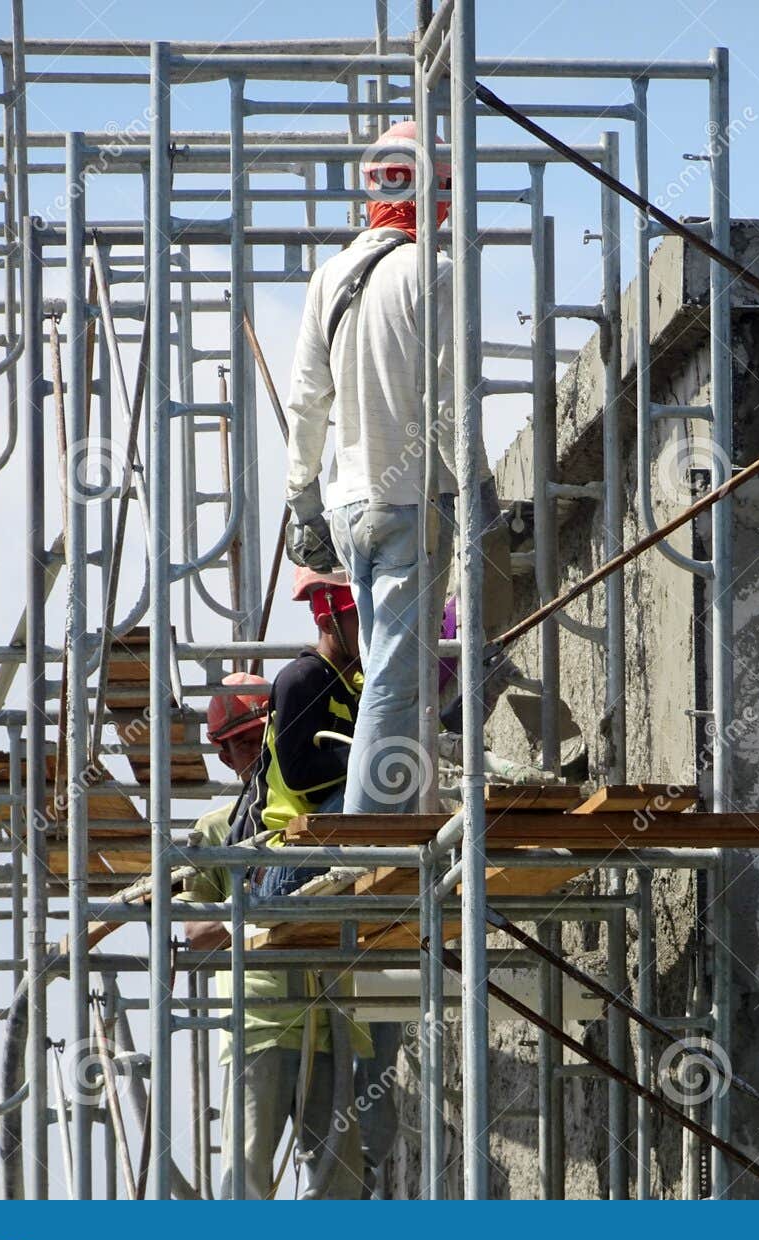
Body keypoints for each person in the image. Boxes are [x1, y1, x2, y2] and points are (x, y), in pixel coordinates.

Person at [282, 118, 499, 816]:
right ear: (439, 196)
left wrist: (302, 500)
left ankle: (410, 802)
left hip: (349, 506)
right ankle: (372, 827)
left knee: (386, 667)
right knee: (397, 681)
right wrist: (478, 493)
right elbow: (451, 405)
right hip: (408, 497)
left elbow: (306, 400)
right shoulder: (433, 273)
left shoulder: (329, 276)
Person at [179, 578, 371, 1199]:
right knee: (245, 1183)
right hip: (261, 1021)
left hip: (338, 1009)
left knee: (340, 1190)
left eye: (245, 739)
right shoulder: (215, 833)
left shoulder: (329, 806)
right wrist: (261, 915)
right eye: (225, 748)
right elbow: (197, 937)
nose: (237, 756)